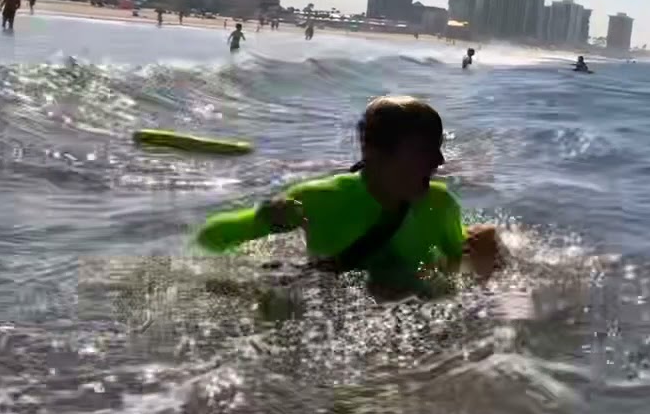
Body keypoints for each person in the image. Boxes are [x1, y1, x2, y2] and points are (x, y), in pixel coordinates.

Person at [196, 96, 504, 291]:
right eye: (423, 151)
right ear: (374, 153)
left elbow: (453, 275)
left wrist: (482, 260)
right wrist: (265, 221)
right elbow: (211, 237)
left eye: (437, 148)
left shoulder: (441, 204)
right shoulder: (320, 199)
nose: (439, 160)